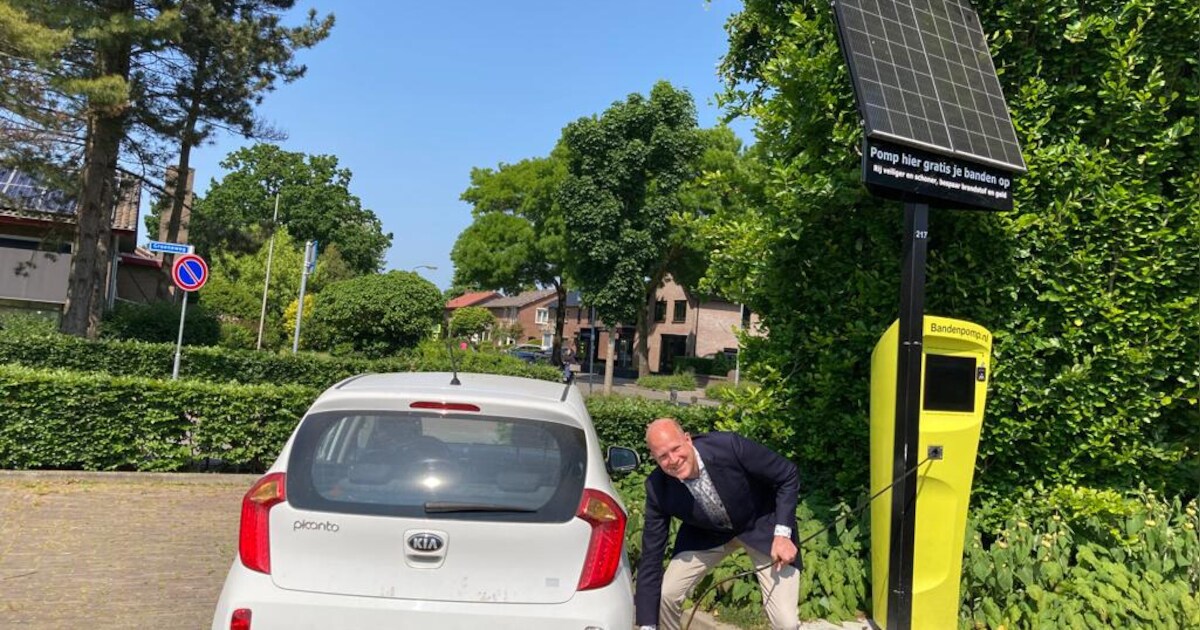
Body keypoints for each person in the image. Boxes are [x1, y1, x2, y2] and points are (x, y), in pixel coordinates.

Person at [636, 418, 800, 630]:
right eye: (663, 456)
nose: (673, 460)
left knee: (786, 622)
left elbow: (787, 475)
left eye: (676, 449)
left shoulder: (729, 446)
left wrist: (783, 534)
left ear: (688, 439)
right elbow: (651, 555)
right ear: (654, 458)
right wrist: (647, 626)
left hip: (761, 525)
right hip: (707, 535)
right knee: (666, 593)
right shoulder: (657, 487)